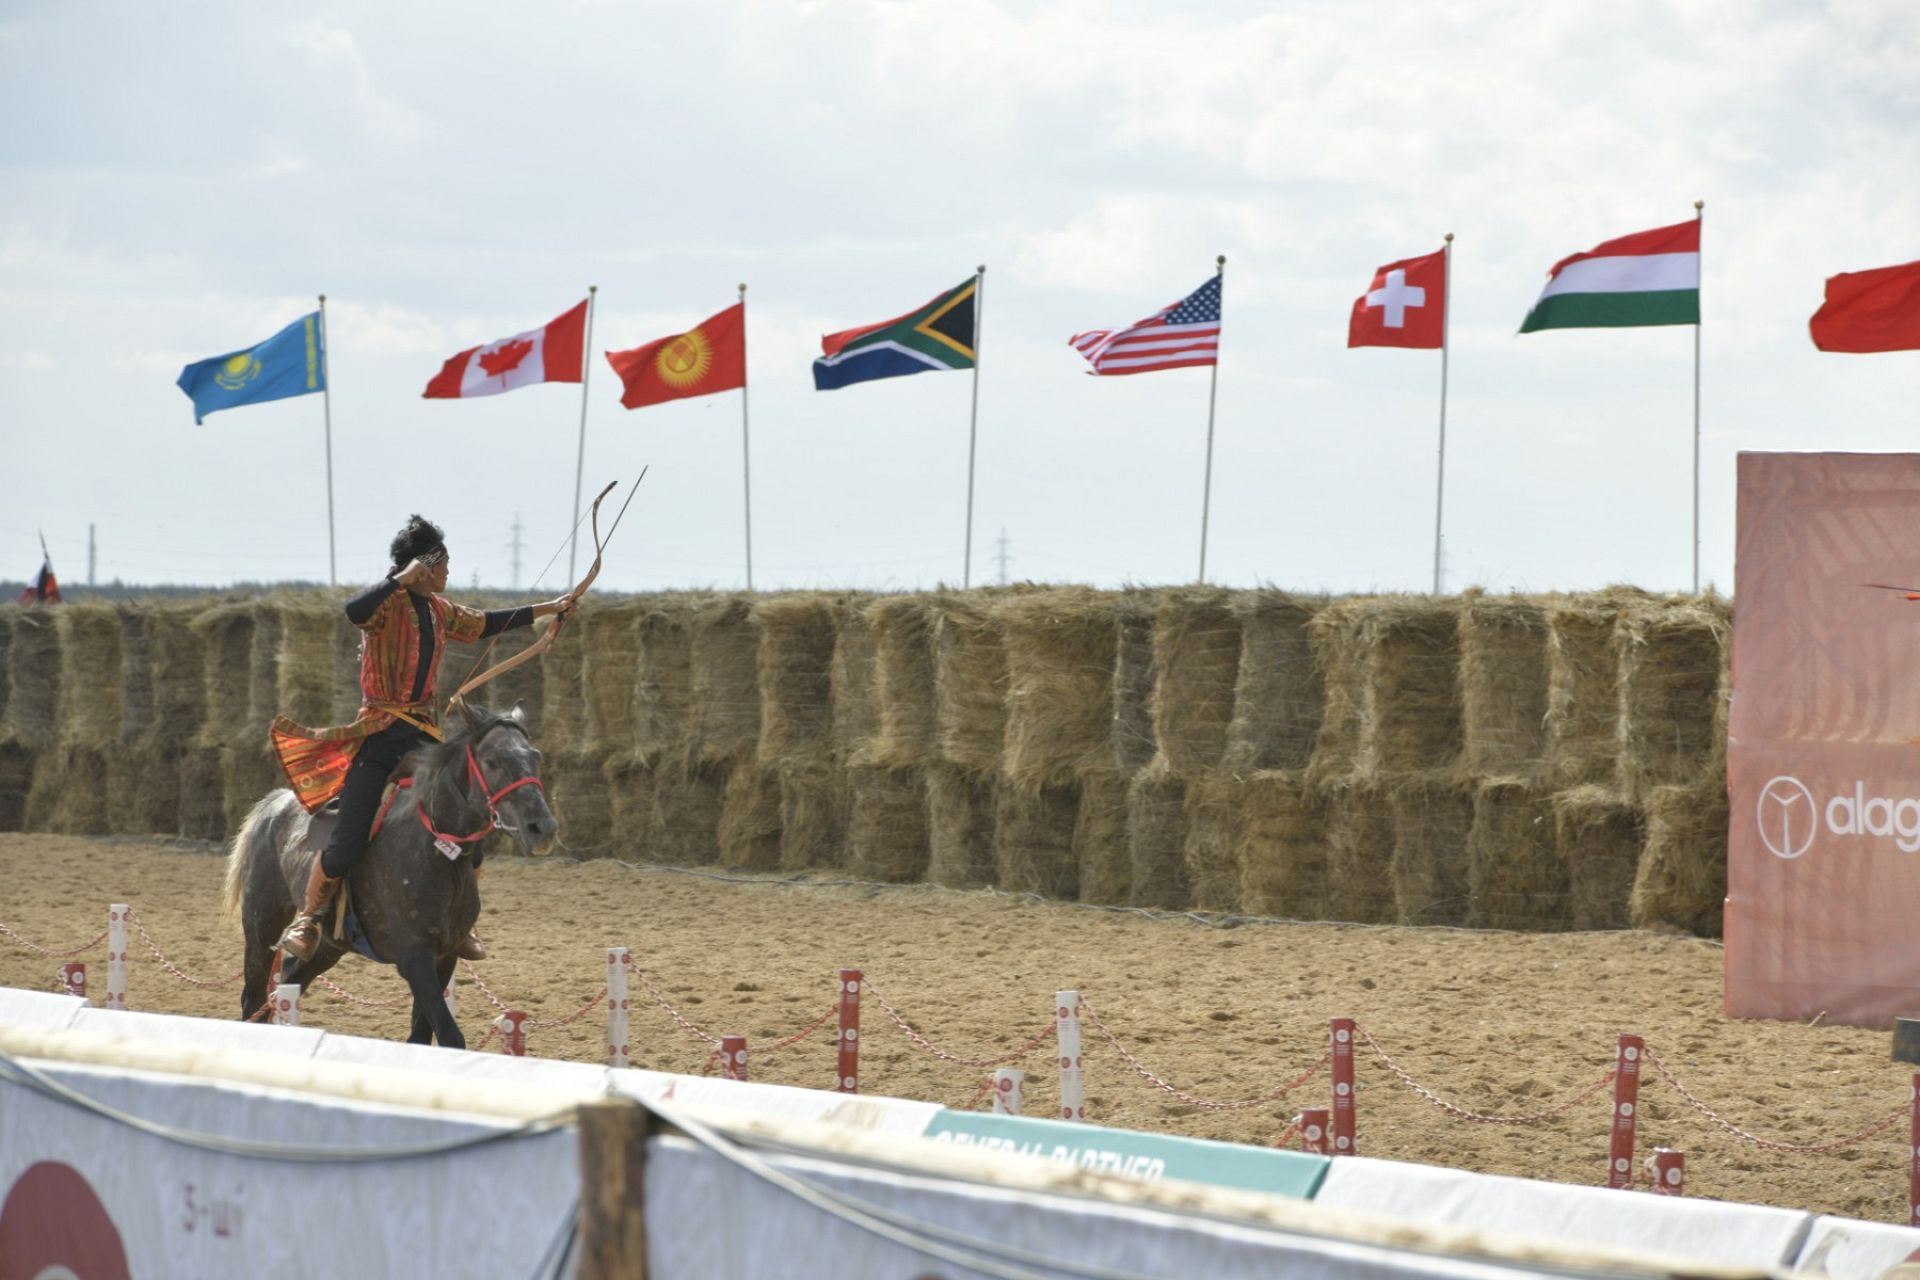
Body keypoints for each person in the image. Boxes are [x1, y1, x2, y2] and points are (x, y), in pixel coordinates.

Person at [272, 514, 575, 962]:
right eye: (443, 564)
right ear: (425, 568)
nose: (448, 572)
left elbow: (485, 623)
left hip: (425, 742)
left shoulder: (439, 610)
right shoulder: (385, 607)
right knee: (349, 838)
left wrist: (550, 607)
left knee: (470, 817)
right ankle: (309, 918)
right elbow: (354, 611)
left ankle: (460, 922)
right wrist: (399, 579)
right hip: (379, 739)